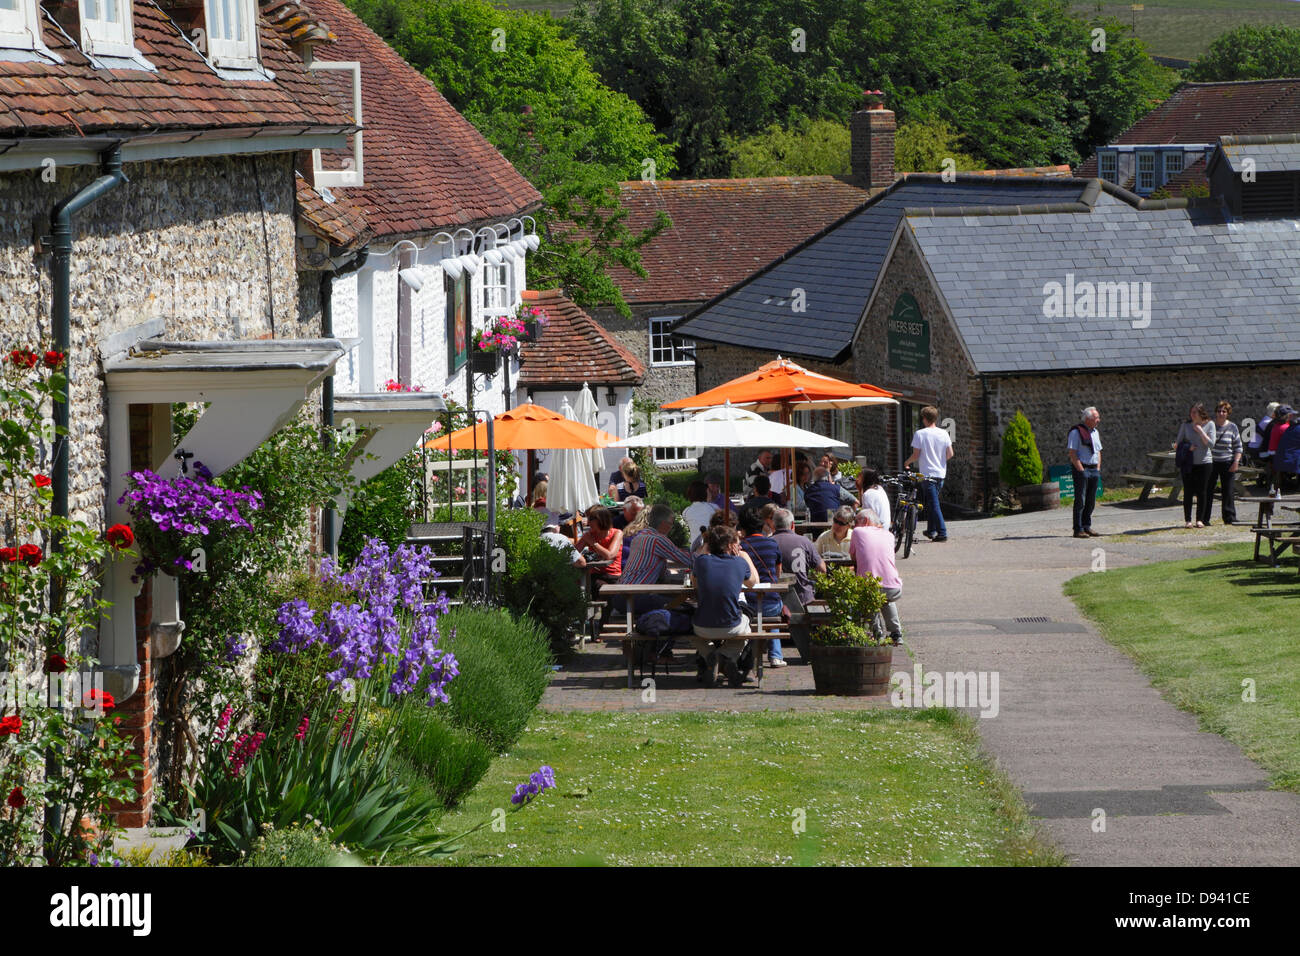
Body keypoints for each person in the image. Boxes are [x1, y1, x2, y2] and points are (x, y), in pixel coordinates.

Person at [614, 504, 694, 661]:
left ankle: (647, 647)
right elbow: (686, 559)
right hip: (634, 596)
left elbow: (654, 569)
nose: (672, 527)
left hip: (620, 595)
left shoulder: (641, 536)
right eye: (671, 523)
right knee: (684, 608)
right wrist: (708, 556)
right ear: (664, 524)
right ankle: (659, 651)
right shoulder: (658, 539)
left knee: (672, 602)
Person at [691, 524, 759, 688]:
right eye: (736, 542)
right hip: (731, 625)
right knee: (748, 628)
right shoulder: (739, 562)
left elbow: (694, 584)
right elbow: (754, 582)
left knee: (688, 631)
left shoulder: (701, 561)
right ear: (730, 545)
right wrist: (743, 555)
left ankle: (710, 656)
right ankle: (723, 656)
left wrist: (706, 548)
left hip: (702, 626)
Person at [737, 506, 786, 666]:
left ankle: (744, 654)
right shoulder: (772, 544)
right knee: (772, 603)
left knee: (753, 608)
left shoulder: (740, 548)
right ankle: (776, 655)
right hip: (771, 604)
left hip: (747, 606)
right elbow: (778, 574)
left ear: (742, 528)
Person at [849, 508, 903, 644]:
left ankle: (877, 633)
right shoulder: (889, 535)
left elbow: (853, 556)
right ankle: (896, 633)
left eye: (856, 522)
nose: (854, 525)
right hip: (894, 587)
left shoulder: (858, 532)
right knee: (885, 599)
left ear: (865, 521)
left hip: (872, 588)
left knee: (871, 595)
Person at [903, 406, 953, 542]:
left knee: (934, 504)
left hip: (927, 474)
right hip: (940, 474)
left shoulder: (920, 434)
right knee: (932, 502)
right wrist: (939, 461)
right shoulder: (944, 433)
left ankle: (942, 533)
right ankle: (931, 530)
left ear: (924, 419)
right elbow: (950, 454)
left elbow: (916, 454)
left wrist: (906, 462)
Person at [1176, 403, 1216, 528]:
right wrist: (1188, 447)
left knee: (1202, 491)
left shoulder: (1210, 424)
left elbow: (1211, 444)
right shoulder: (1185, 425)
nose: (1192, 415)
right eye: (1191, 412)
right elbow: (1177, 444)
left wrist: (1200, 431)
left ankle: (1200, 519)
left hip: (1204, 462)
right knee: (1188, 491)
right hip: (1189, 463)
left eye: (1195, 412)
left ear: (1201, 414)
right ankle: (1188, 520)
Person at [1067, 406, 1103, 539]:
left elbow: (1098, 451)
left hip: (1094, 469)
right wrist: (1081, 470)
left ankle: (1087, 526)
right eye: (1096, 418)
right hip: (1082, 469)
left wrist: (1098, 468)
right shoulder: (1076, 432)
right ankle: (1078, 529)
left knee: (1091, 500)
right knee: (1080, 500)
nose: (1098, 420)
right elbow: (1072, 453)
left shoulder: (1095, 432)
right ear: (1087, 419)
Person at [575, 505, 622, 595]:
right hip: (594, 575)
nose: (588, 522)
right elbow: (572, 553)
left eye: (591, 519)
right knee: (577, 582)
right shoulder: (589, 535)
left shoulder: (617, 533)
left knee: (592, 586)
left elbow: (609, 555)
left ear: (601, 519)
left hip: (612, 576)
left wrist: (593, 543)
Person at [1209, 401, 1242, 525]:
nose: (1221, 413)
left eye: (1224, 411)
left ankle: (1229, 517)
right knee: (1208, 490)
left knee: (1228, 491)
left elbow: (1238, 446)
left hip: (1227, 461)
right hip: (1211, 462)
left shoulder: (1232, 427)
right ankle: (1204, 518)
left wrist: (1236, 461)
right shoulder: (1210, 425)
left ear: (1228, 413)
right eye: (1219, 411)